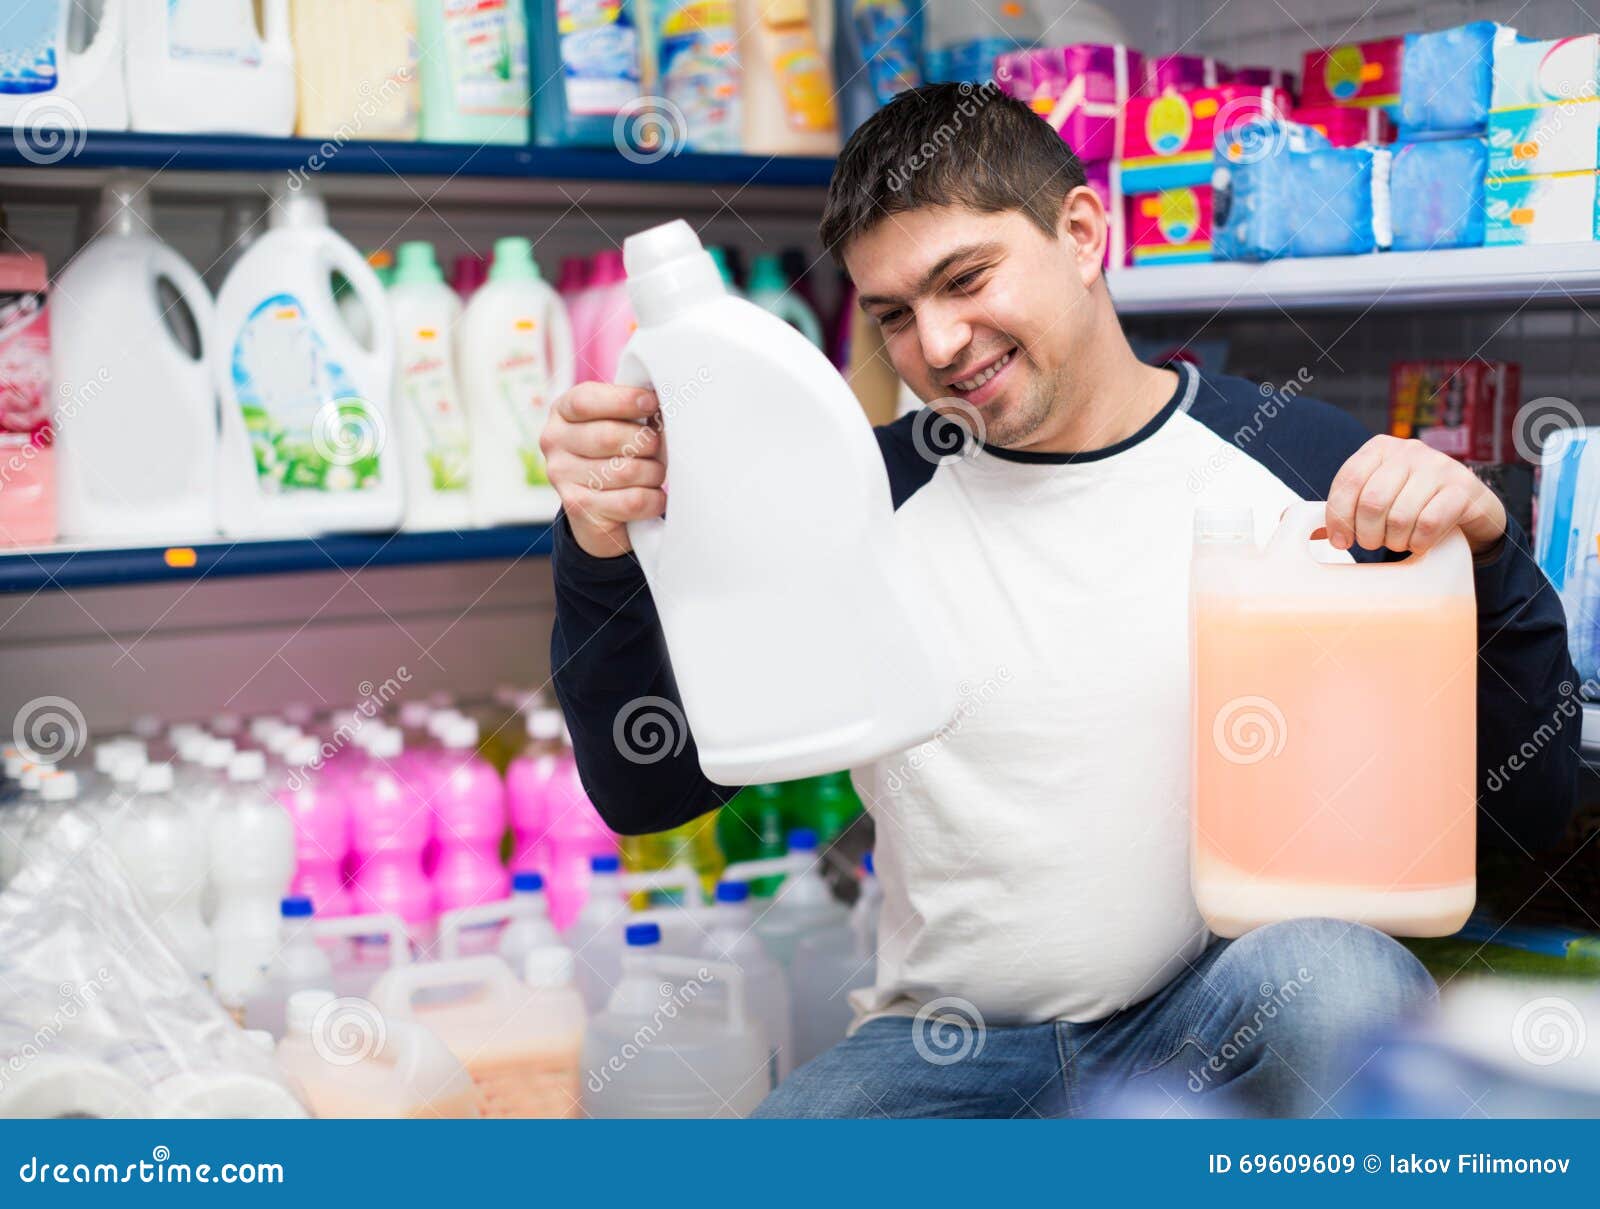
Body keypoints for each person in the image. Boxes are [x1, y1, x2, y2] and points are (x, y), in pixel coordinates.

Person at [539, 84, 1579, 1117]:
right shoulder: (856, 499)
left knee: (1336, 979)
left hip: (1222, 1012)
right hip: (949, 1046)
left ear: (1081, 232)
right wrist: (601, 547)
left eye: (966, 278)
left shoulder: (1301, 470)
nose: (939, 346)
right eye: (896, 315)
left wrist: (1482, 560)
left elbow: (1527, 811)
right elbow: (652, 792)